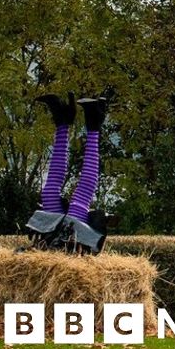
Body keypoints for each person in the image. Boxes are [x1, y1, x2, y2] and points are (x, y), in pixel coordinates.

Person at [25, 93, 109, 255]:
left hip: (65, 246)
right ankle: (69, 121)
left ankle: (85, 124)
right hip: (57, 247)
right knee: (69, 203)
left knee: (54, 196)